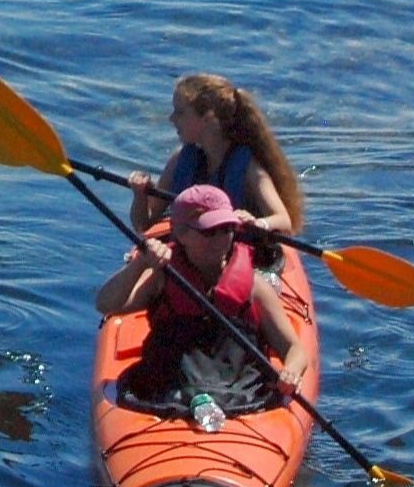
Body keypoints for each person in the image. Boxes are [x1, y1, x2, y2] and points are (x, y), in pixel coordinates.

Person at [95, 184, 311, 419]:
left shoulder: (254, 286)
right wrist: (140, 264)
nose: (220, 239)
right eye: (209, 232)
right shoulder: (162, 276)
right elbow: (107, 304)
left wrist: (291, 372)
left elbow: (294, 349)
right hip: (168, 390)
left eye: (227, 229)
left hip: (242, 393)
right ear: (180, 233)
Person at [129, 73, 304, 240]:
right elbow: (143, 225)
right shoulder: (179, 160)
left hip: (233, 255)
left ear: (207, 117)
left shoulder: (248, 167)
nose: (171, 118)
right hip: (190, 253)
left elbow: (283, 221)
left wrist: (259, 223)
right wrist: (140, 196)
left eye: (180, 112)